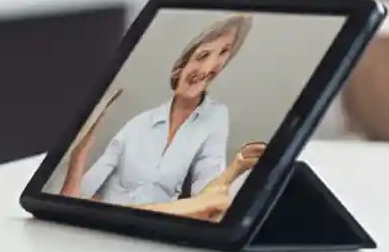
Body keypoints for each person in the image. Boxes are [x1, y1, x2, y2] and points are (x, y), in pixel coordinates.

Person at [59, 15, 262, 220]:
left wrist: (235, 168)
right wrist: (79, 154)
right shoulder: (138, 124)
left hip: (152, 232)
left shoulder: (215, 116)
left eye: (222, 54)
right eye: (203, 56)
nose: (208, 68)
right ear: (180, 67)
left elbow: (208, 201)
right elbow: (73, 199)